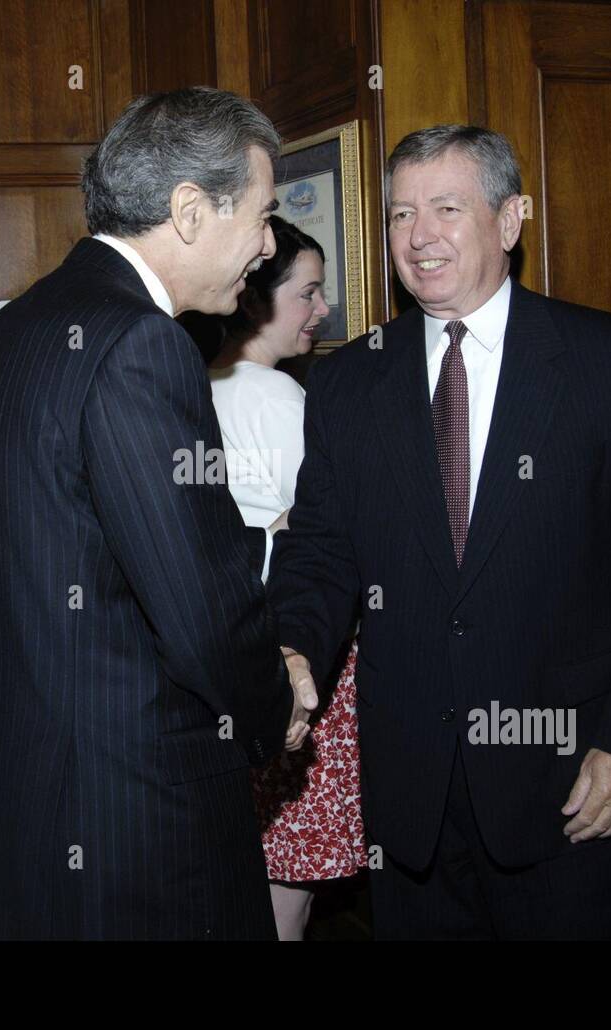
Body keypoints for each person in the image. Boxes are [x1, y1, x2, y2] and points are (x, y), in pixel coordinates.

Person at [268, 124, 611, 939]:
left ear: (511, 220)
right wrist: (293, 645)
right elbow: (321, 550)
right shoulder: (347, 380)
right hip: (411, 799)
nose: (419, 236)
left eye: (445, 208)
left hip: (570, 788)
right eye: (400, 215)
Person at [0, 87, 318, 941]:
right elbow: (201, 606)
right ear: (190, 210)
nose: (267, 247)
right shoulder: (140, 342)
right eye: (261, 217)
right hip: (134, 822)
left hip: (34, 797)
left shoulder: (17, 322)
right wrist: (277, 704)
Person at [208, 216, 366, 941]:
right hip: (302, 655)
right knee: (291, 878)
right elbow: (328, 534)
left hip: (237, 653)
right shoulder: (277, 398)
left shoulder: (203, 385)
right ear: (257, 301)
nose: (322, 309)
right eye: (309, 293)